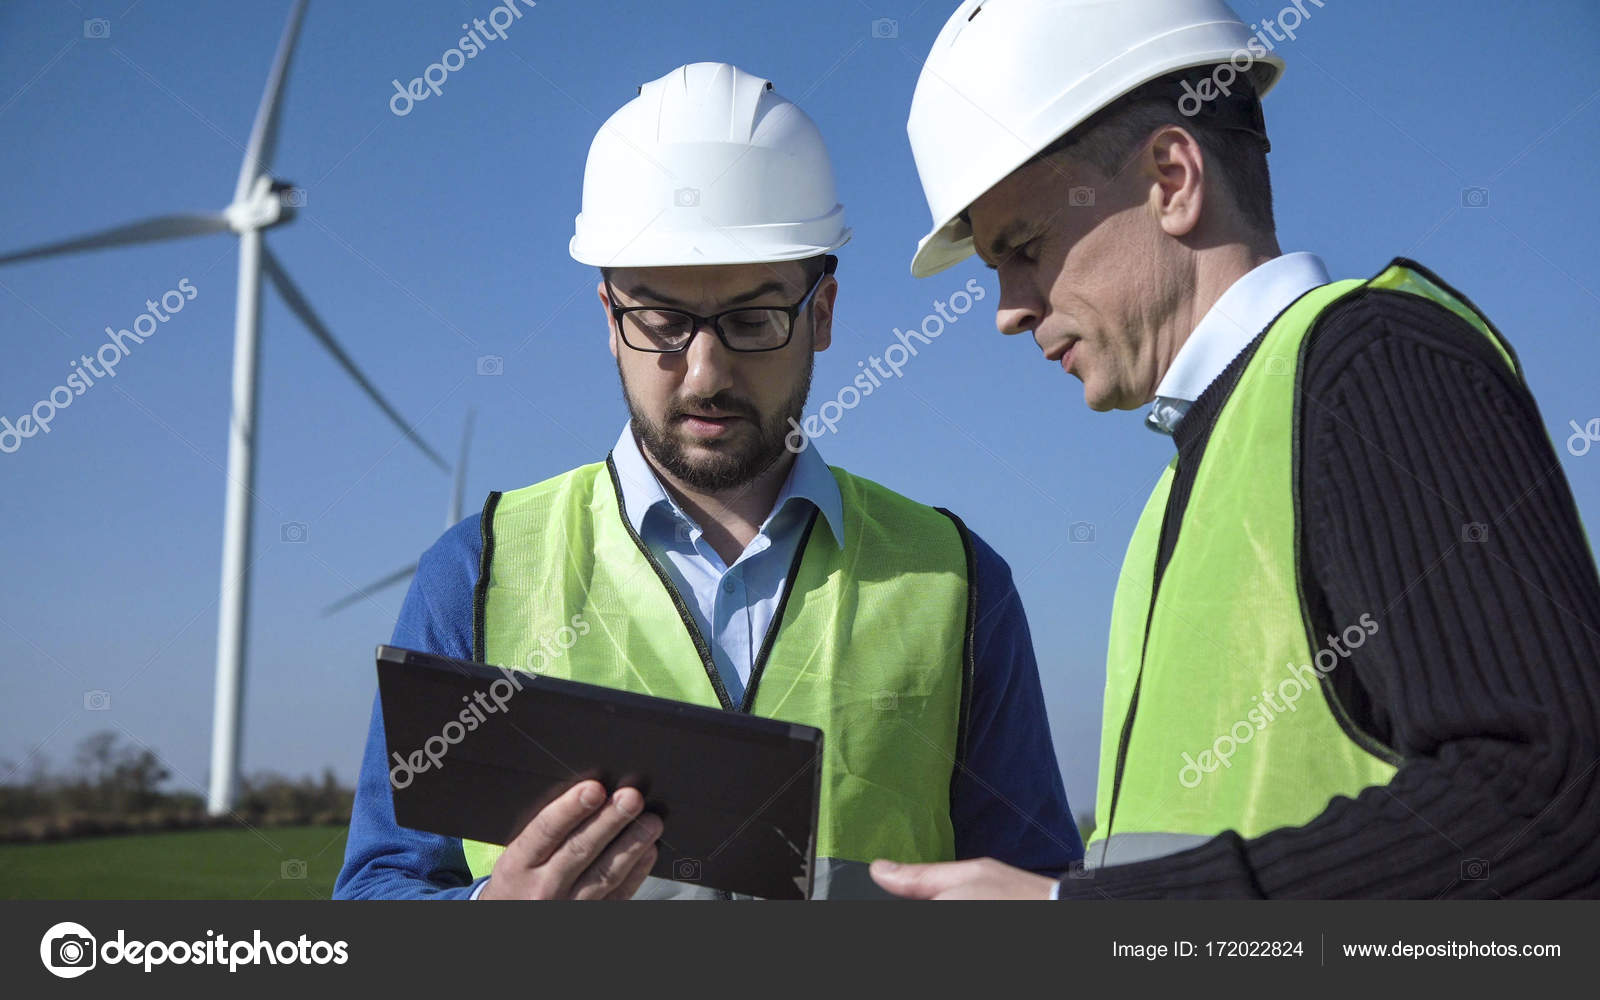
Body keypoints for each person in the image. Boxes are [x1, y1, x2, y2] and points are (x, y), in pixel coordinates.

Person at [870, 0, 1600, 900]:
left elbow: (1555, 798)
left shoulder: (1376, 369)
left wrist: (1093, 922)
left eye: (1024, 248)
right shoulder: (1179, 497)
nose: (1008, 309)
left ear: (1173, 179)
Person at [334, 61, 1082, 900]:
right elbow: (376, 893)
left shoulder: (957, 581)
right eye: (662, 322)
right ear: (610, 321)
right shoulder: (476, 573)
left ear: (823, 315)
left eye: (752, 320)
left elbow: (1036, 890)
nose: (704, 374)